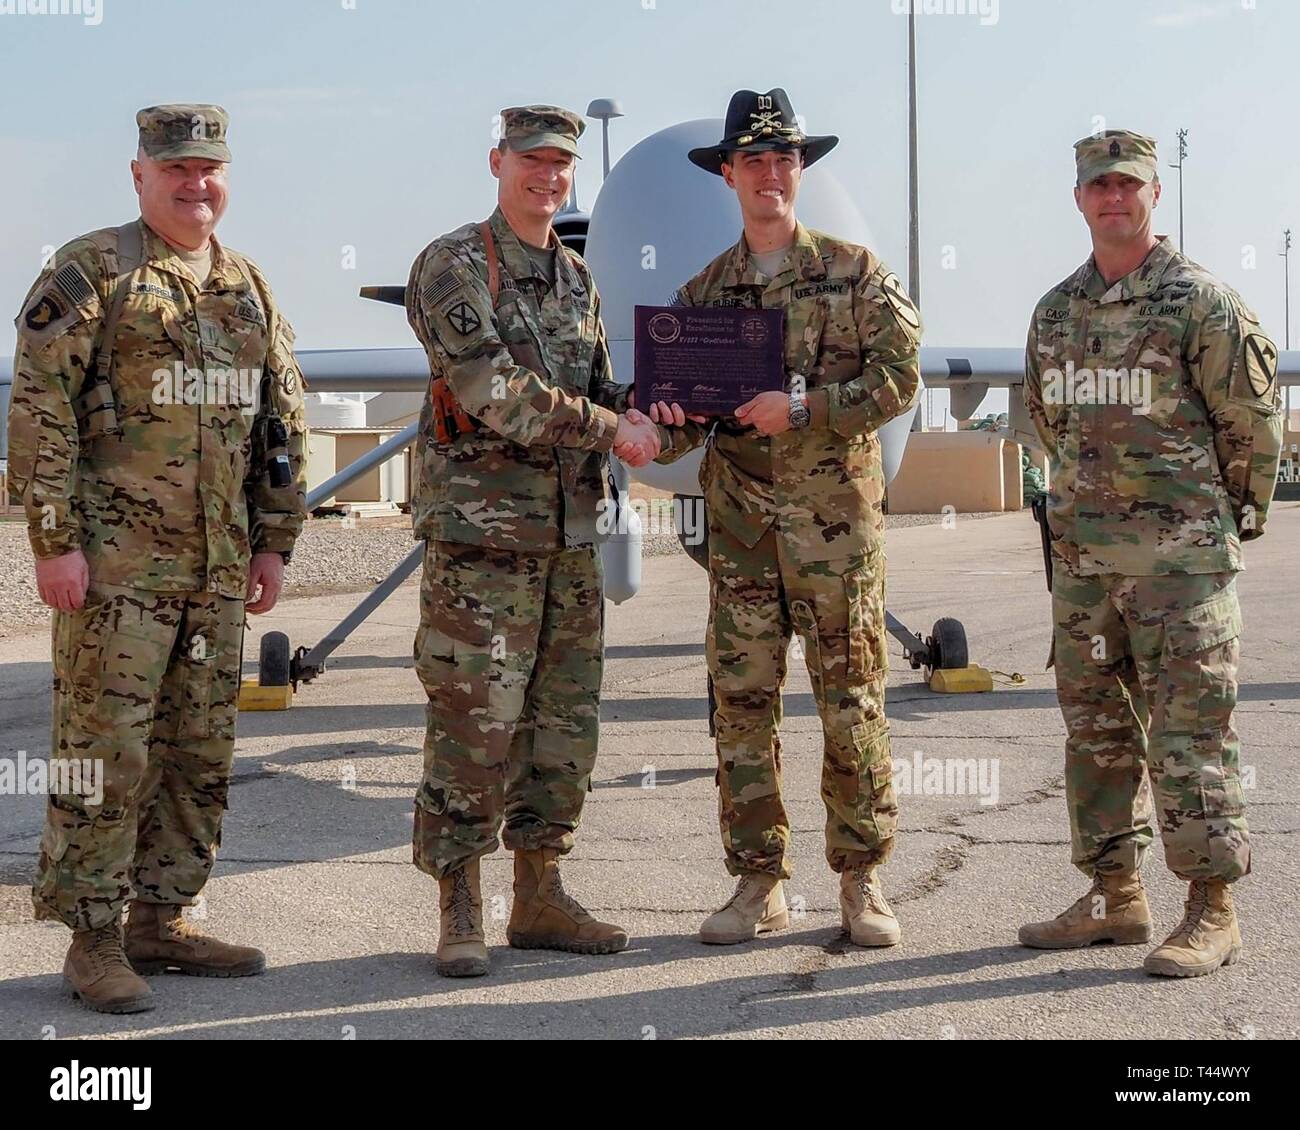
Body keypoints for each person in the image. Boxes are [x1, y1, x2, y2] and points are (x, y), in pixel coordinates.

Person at [7, 104, 307, 1012]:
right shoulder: (93, 270)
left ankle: (163, 918)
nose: (194, 183)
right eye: (175, 168)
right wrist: (54, 542)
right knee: (103, 754)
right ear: (140, 175)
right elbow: (39, 409)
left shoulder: (246, 285)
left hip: (215, 572)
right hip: (115, 573)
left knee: (196, 753)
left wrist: (274, 539)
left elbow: (280, 421)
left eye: (209, 168)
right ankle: (92, 938)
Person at [645, 89, 921, 947]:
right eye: (753, 160)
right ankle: (757, 882)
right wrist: (654, 425)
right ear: (727, 174)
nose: (770, 173)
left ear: (800, 170)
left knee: (852, 705)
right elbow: (680, 423)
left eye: (784, 159)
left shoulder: (855, 272)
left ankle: (862, 882)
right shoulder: (701, 296)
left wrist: (803, 408)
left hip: (835, 537)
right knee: (740, 709)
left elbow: (899, 379)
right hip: (743, 539)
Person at [404, 104, 660, 977]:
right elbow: (490, 388)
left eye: (560, 164)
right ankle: (459, 904)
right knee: (473, 726)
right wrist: (613, 427)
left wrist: (657, 408)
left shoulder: (577, 277)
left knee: (563, 727)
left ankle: (540, 893)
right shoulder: (452, 264)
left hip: (571, 538)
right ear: (498, 162)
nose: (547, 176)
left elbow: (597, 386)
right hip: (482, 546)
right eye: (531, 160)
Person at [1019, 129, 1283, 977]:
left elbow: (1252, 428)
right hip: (1086, 572)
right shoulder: (1055, 311)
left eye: (1128, 184)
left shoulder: (1200, 302)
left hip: (1181, 570)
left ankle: (1212, 909)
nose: (1113, 198)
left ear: (1154, 194)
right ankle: (1113, 898)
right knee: (1096, 737)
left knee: (1190, 735)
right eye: (1099, 186)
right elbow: (1050, 423)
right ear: (1079, 198)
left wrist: (1217, 526)